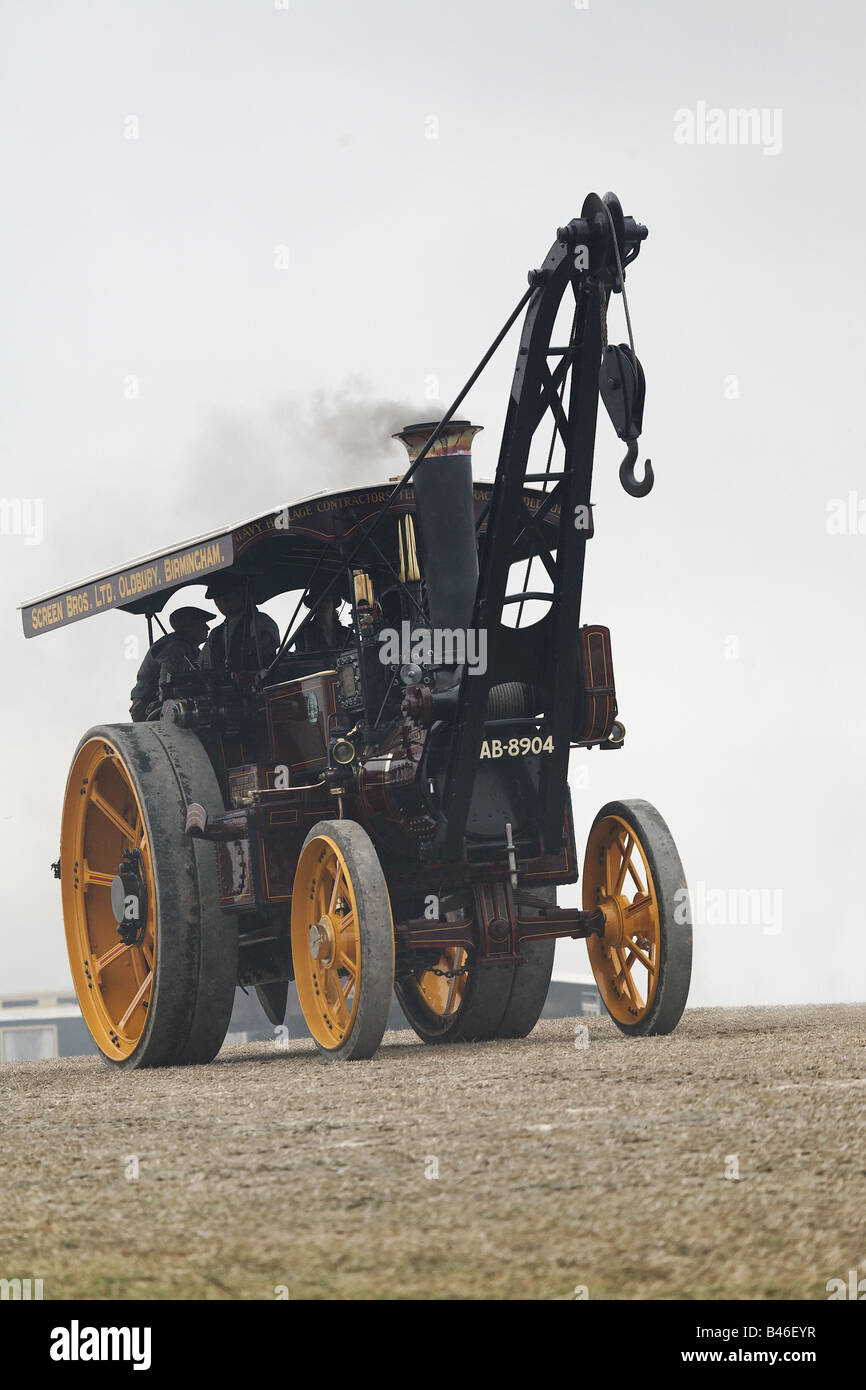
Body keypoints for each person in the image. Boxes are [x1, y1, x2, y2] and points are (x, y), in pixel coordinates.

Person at [129, 606, 215, 721]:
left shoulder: (188, 648)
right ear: (188, 628)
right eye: (201, 624)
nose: (207, 628)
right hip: (154, 712)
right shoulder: (174, 649)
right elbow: (169, 689)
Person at [200, 572, 280, 674]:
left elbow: (269, 642)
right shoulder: (215, 633)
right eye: (218, 600)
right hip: (223, 687)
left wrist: (253, 644)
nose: (224, 603)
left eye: (227, 597)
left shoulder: (259, 620)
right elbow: (204, 663)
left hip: (258, 684)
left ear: (240, 594)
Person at [292, 575, 354, 656]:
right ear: (313, 605)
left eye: (327, 600)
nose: (323, 604)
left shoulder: (347, 634)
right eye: (318, 600)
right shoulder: (302, 634)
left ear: (333, 604)